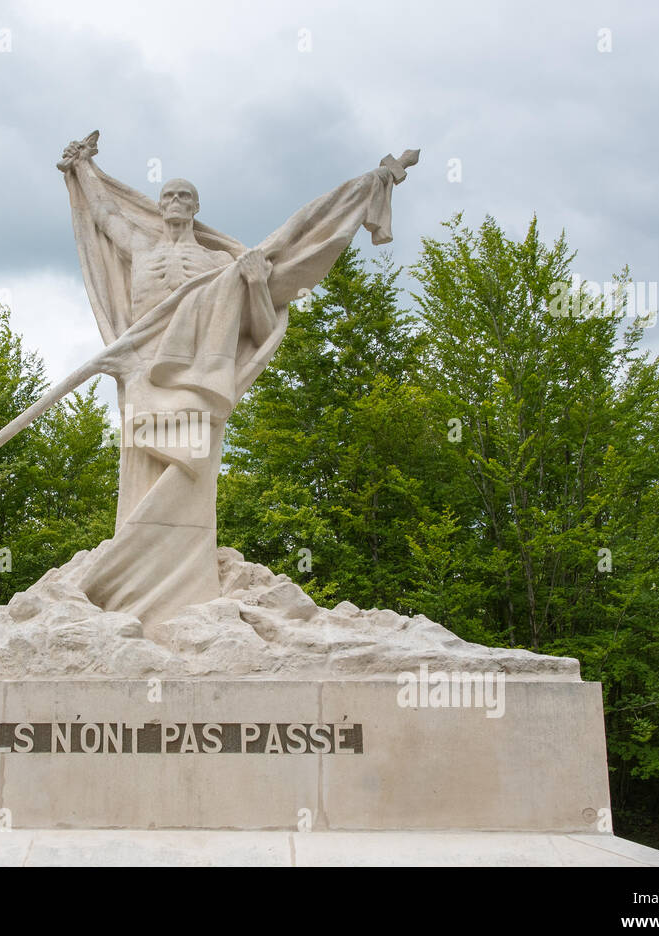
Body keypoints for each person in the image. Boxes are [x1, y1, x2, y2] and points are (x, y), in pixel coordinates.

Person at [52, 131, 414, 629]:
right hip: (140, 376)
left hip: (197, 379)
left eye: (184, 196)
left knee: (190, 473)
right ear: (159, 207)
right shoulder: (138, 246)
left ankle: (180, 591)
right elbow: (104, 215)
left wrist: (250, 281)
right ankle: (125, 585)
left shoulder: (218, 265)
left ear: (196, 208)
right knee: (139, 477)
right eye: (168, 196)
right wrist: (83, 170)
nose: (175, 202)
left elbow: (261, 329)